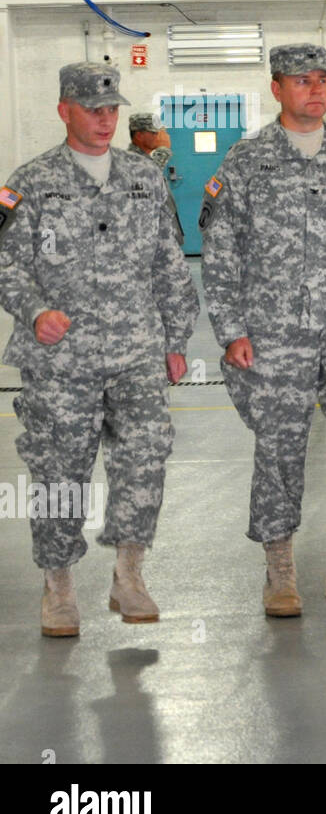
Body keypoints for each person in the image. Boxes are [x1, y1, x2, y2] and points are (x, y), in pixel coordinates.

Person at [200, 44, 326, 618]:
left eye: (321, 80)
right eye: (300, 81)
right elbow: (219, 253)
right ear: (277, 89)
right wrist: (230, 329)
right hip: (272, 331)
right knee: (280, 451)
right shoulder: (244, 162)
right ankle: (280, 574)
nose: (314, 90)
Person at [0, 63, 198, 637]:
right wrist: (36, 312)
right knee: (59, 471)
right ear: (65, 111)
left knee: (144, 460)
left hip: (137, 350)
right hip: (61, 361)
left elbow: (169, 260)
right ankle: (59, 586)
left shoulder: (144, 177)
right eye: (92, 109)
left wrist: (177, 338)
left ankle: (129, 575)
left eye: (111, 108)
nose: (105, 118)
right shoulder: (31, 182)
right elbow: (7, 262)